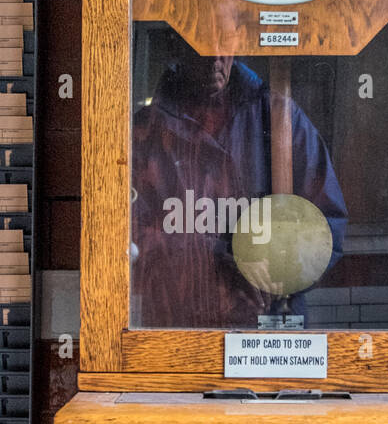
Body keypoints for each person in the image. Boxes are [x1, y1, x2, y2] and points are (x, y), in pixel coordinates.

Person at [131, 33, 347, 328]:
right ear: (180, 48)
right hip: (177, 329)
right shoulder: (146, 132)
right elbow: (126, 238)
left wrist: (278, 270)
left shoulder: (280, 119)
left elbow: (327, 225)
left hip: (266, 332)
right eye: (203, 46)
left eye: (225, 44)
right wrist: (220, 260)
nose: (215, 60)